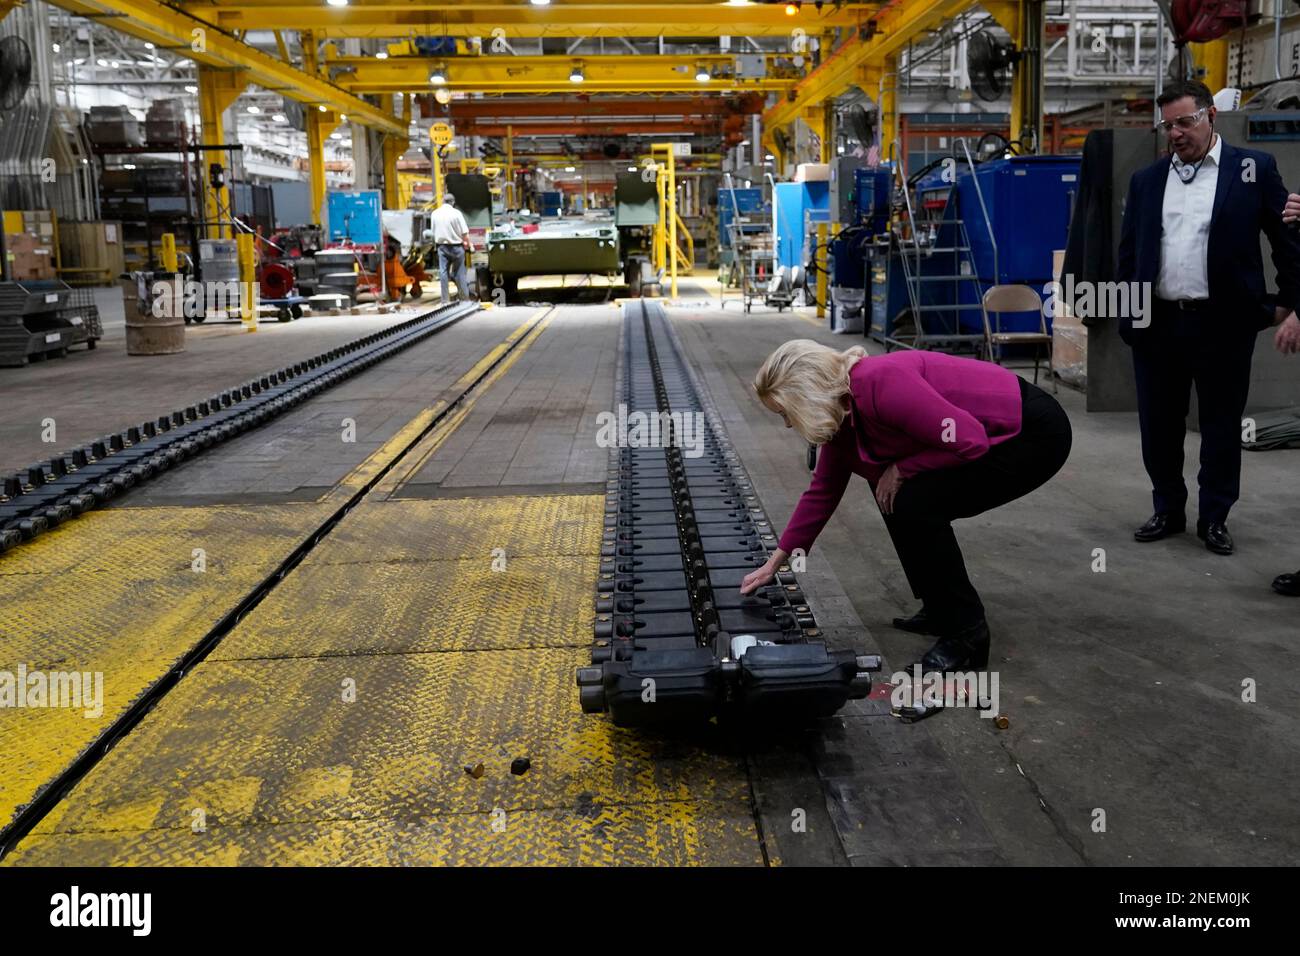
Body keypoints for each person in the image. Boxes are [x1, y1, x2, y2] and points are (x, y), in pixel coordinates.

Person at [740, 340, 1072, 674]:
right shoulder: (840, 413)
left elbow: (970, 439)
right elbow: (823, 491)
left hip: (1031, 433)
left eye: (785, 413)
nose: (787, 424)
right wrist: (776, 562)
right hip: (984, 436)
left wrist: (902, 469)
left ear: (807, 396)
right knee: (890, 490)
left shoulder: (880, 384)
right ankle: (940, 606)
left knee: (914, 500)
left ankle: (967, 632)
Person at [1116, 78, 1300, 556]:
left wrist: (1289, 300)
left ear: (1210, 117)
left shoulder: (1254, 170)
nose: (1176, 132)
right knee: (1159, 426)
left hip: (1223, 325)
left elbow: (1287, 241)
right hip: (1158, 324)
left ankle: (1214, 516)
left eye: (1185, 121)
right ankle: (1167, 509)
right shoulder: (1147, 180)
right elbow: (1129, 253)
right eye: (1168, 125)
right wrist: (1125, 315)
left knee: (1220, 427)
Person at [430, 193, 472, 303]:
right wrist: (469, 245)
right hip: (457, 247)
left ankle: (445, 300)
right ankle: (464, 298)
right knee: (459, 273)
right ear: (453, 202)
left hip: (442, 248)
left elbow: (433, 231)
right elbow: (465, 233)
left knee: (443, 273)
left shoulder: (435, 213)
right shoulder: (457, 213)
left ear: (443, 201)